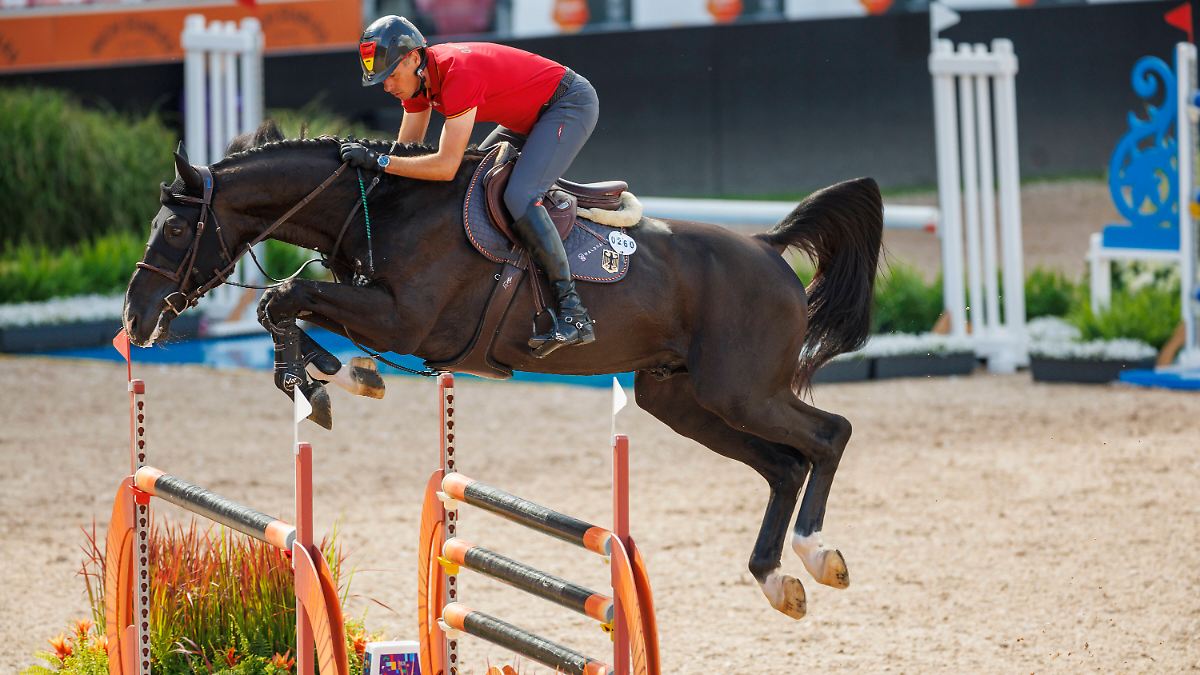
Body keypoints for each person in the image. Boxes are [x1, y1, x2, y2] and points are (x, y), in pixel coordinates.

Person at [340, 15, 598, 358]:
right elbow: (406, 154)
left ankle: (573, 311)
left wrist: (379, 161)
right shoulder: (419, 81)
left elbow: (444, 166)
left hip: (568, 104)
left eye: (390, 76)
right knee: (472, 186)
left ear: (414, 58)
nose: (386, 87)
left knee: (519, 195)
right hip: (527, 118)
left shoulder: (457, 73)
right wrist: (374, 177)